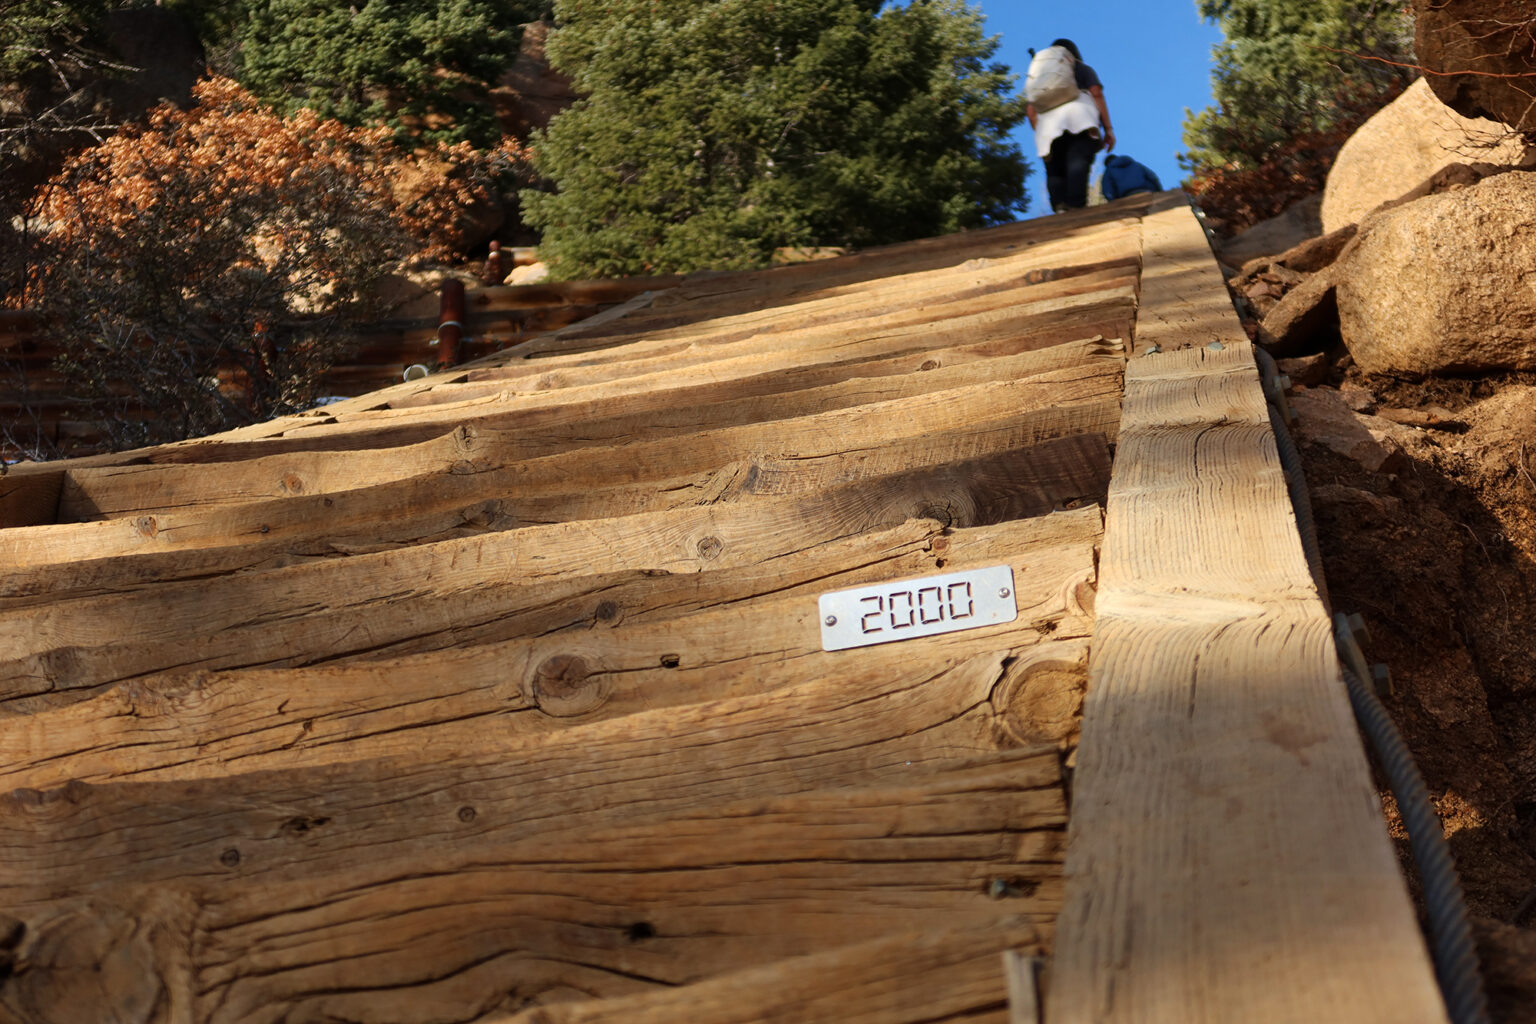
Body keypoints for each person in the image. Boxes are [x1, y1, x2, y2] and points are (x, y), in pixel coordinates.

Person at [1026, 38, 1115, 213]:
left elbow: (1030, 111)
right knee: (1078, 160)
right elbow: (1096, 93)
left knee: (1055, 169)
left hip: (1048, 127)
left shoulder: (1041, 77)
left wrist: (1040, 132)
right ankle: (1077, 207)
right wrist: (1108, 129)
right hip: (1080, 118)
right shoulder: (1081, 68)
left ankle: (1060, 207)